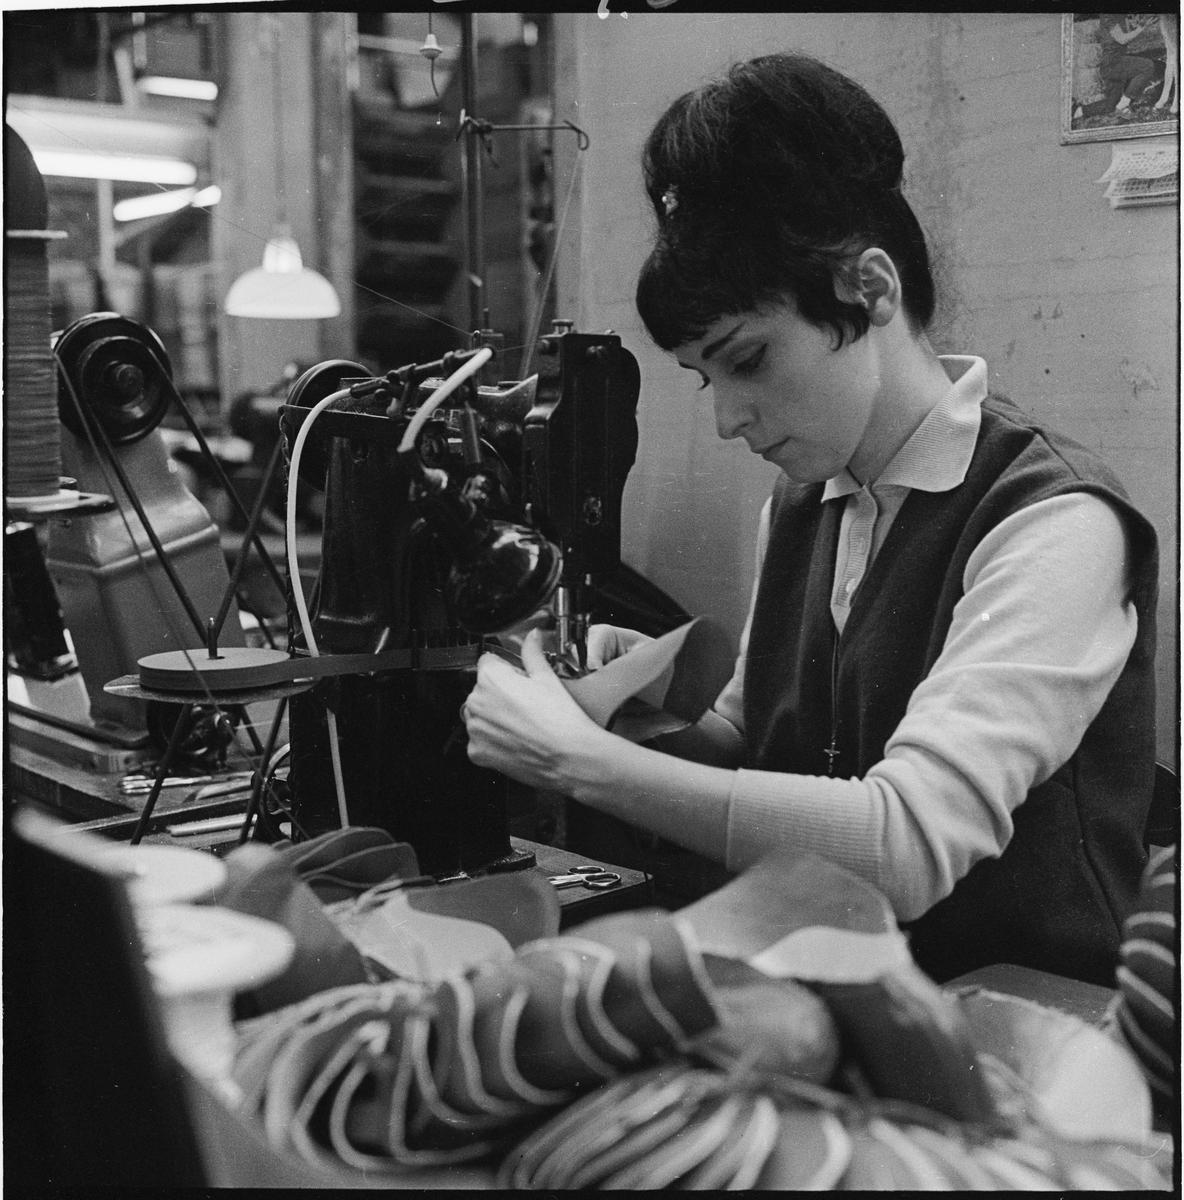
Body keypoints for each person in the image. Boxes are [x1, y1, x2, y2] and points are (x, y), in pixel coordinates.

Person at [461, 53, 1159, 987]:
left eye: (748, 360)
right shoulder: (804, 501)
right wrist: (638, 710)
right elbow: (750, 745)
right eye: (707, 377)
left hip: (1026, 1023)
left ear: (870, 290)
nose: (726, 419)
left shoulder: (1056, 521)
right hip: (836, 991)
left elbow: (905, 844)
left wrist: (580, 760)